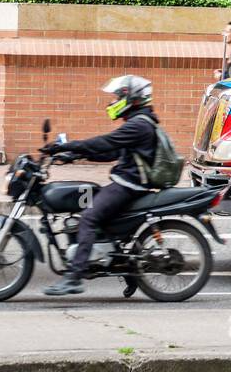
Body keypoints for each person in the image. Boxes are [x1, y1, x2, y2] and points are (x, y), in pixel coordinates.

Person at [40, 75, 159, 297]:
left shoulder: (139, 125)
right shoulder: (138, 121)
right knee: (97, 212)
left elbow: (105, 142)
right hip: (127, 181)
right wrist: (73, 155)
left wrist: (66, 145)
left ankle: (73, 278)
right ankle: (123, 268)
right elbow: (112, 152)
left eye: (117, 97)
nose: (113, 102)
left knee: (89, 217)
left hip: (130, 185)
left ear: (130, 98)